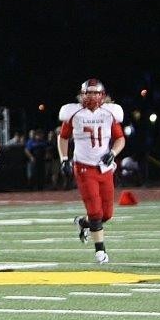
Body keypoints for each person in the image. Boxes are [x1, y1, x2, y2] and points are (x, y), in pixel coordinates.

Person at [57, 79, 125, 264]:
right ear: (82, 94)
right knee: (95, 212)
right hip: (84, 167)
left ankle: (83, 222)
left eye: (96, 93)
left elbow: (120, 139)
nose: (92, 96)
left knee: (106, 215)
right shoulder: (75, 113)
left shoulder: (109, 113)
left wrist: (112, 153)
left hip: (105, 168)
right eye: (89, 92)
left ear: (102, 95)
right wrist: (64, 159)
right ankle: (100, 252)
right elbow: (63, 138)